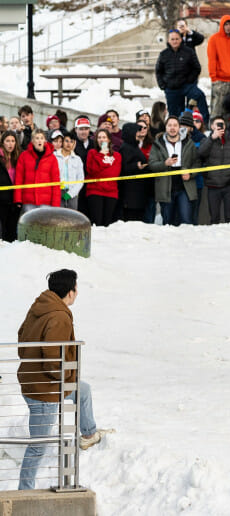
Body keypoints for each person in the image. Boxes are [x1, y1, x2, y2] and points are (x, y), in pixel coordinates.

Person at [17, 270, 110, 490]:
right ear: (70, 292)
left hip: (34, 380)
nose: (77, 292)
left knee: (82, 390)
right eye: (76, 288)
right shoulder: (59, 316)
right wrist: (67, 376)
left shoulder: (40, 306)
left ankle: (88, 434)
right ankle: (23, 492)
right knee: (38, 446)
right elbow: (53, 359)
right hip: (45, 390)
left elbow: (21, 337)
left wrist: (69, 378)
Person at [149, 116, 199, 225]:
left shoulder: (188, 142)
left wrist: (190, 173)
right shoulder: (158, 144)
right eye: (170, 125)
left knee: (186, 220)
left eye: (175, 125)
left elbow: (197, 162)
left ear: (179, 127)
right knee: (168, 222)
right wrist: (164, 164)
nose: (172, 128)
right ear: (165, 128)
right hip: (165, 188)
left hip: (184, 187)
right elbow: (152, 164)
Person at [155, 29, 210, 124]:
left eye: (177, 39)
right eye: (172, 39)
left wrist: (190, 80)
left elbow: (197, 68)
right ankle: (177, 128)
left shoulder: (188, 51)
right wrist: (163, 85)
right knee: (174, 114)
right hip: (171, 87)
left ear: (181, 39)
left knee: (200, 96)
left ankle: (205, 123)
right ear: (168, 40)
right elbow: (158, 71)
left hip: (186, 85)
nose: (175, 41)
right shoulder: (164, 54)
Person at [198, 116, 230, 224]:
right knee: (214, 218)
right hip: (213, 185)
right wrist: (212, 138)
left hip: (229, 184)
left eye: (222, 124)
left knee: (229, 218)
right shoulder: (206, 140)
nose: (220, 126)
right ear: (212, 126)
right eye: (217, 124)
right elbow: (200, 154)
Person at [13, 129, 60, 213]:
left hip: (46, 202)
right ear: (32, 141)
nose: (39, 140)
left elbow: (56, 182)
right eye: (37, 138)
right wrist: (18, 199)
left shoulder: (52, 158)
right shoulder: (24, 156)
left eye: (41, 138)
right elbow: (19, 179)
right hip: (28, 201)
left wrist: (55, 204)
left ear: (45, 141)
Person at [208, 15, 230, 120]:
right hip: (220, 81)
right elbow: (212, 59)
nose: (228, 27)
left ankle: (228, 129)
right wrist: (214, 78)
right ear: (222, 25)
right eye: (226, 24)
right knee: (217, 111)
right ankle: (213, 129)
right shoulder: (214, 39)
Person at [84, 128, 121, 227]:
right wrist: (101, 155)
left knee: (107, 224)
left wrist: (101, 166)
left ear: (109, 139)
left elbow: (113, 174)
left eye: (104, 137)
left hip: (111, 192)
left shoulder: (117, 155)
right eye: (99, 137)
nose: (101, 140)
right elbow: (92, 171)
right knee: (96, 223)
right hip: (95, 190)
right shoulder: (92, 153)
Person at [118, 123, 152, 222]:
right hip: (130, 196)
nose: (139, 133)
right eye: (137, 131)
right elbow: (123, 168)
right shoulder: (126, 148)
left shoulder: (134, 146)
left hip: (138, 194)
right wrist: (136, 166)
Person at [54, 131, 84, 210]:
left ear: (74, 144)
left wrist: (71, 194)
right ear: (62, 142)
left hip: (72, 193)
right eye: (66, 141)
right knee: (57, 215)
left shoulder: (77, 159)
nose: (69, 144)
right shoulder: (54, 156)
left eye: (71, 142)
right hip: (57, 192)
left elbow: (80, 179)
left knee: (72, 216)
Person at [0, 131, 21, 241]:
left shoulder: (18, 157)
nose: (10, 144)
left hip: (14, 201)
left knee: (12, 234)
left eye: (13, 141)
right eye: (7, 141)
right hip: (1, 200)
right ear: (2, 143)